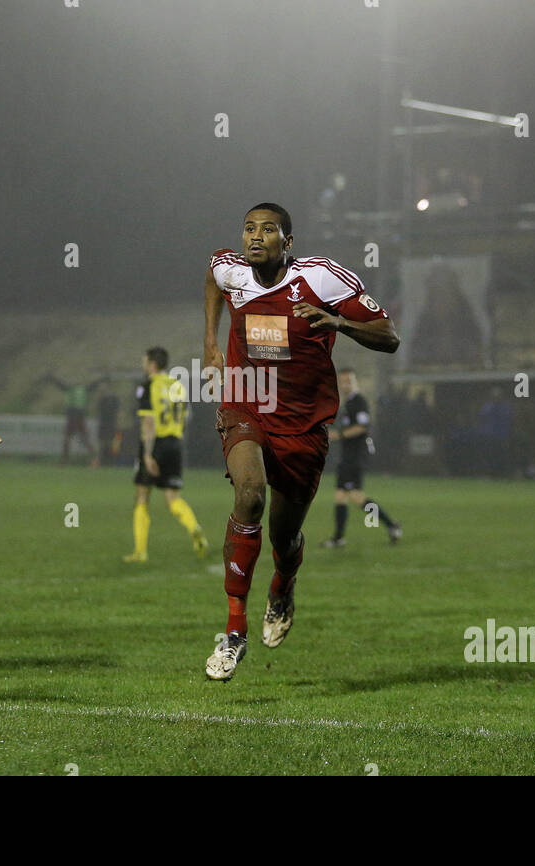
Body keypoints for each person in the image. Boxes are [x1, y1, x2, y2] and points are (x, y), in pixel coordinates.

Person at [203, 202, 399, 680]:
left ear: (287, 243)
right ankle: (233, 633)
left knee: (284, 536)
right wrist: (210, 342)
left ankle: (283, 585)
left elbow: (388, 335)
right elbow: (213, 275)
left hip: (303, 425)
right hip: (246, 404)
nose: (255, 236)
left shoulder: (324, 280)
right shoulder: (232, 270)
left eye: (268, 230)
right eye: (248, 227)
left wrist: (340, 325)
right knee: (249, 496)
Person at [123, 347, 208, 563]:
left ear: (152, 364)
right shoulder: (177, 385)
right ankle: (194, 528)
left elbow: (148, 422)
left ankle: (140, 551)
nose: (143, 365)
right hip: (175, 443)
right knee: (173, 499)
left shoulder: (148, 385)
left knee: (142, 495)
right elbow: (186, 417)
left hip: (156, 443)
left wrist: (149, 454)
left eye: (144, 361)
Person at [321, 368, 402, 547]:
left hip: (355, 457)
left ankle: (391, 525)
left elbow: (362, 427)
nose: (345, 384)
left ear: (355, 382)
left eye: (349, 381)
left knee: (357, 497)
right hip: (347, 457)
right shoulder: (348, 403)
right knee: (340, 496)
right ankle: (338, 538)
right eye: (343, 381)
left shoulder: (359, 401)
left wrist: (338, 435)